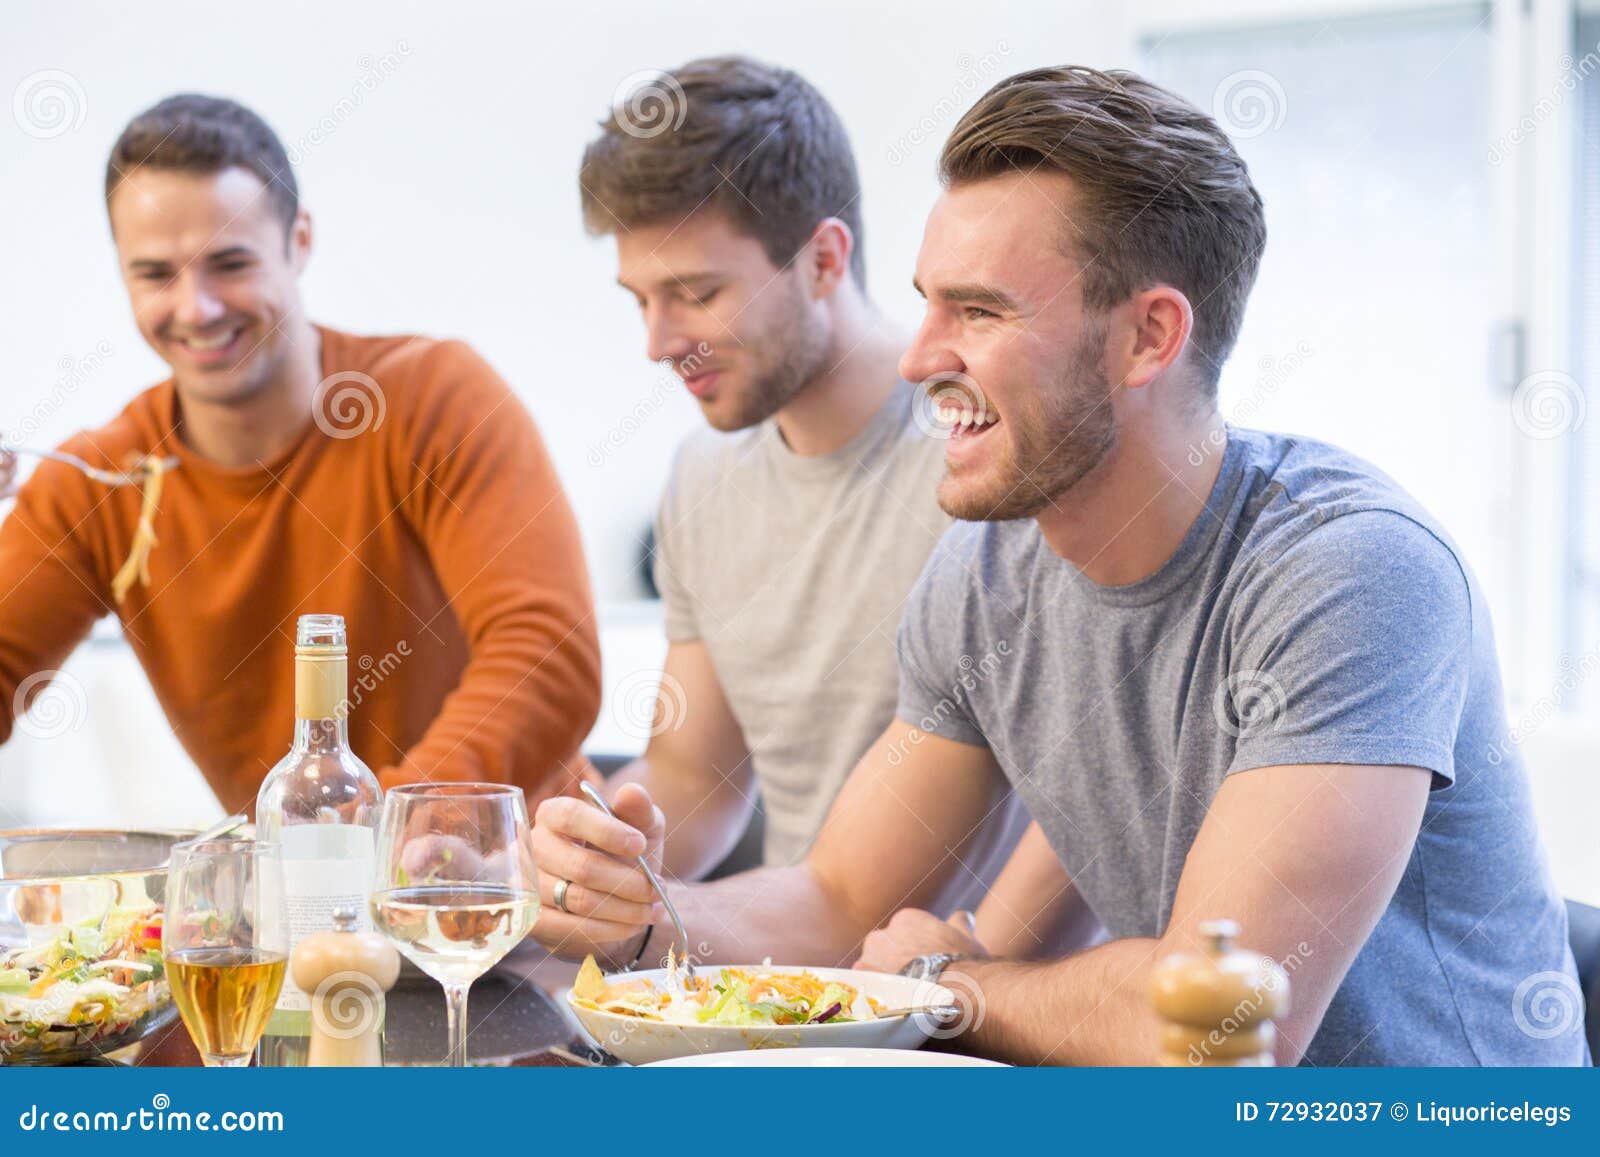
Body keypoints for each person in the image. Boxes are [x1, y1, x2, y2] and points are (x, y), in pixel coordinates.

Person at [528, 65, 1588, 1066]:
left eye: (978, 311)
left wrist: (955, 987)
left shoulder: (1351, 573)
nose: (916, 354)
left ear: (1147, 338)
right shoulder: (984, 575)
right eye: (928, 300)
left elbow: (1218, 1022)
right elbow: (843, 896)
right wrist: (651, 914)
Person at [0, 95, 601, 814]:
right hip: (303, 909)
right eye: (156, 274)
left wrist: (385, 828)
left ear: (301, 240)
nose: (196, 308)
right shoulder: (105, 479)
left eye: (229, 262)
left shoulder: (432, 398)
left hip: (518, 888)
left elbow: (548, 653)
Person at [572, 56, 1025, 916]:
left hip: (989, 1013)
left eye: (695, 293)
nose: (659, 343)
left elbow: (1083, 795)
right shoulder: (701, 480)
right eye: (639, 301)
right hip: (788, 986)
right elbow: (695, 771)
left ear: (823, 259)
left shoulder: (989, 456)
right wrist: (602, 843)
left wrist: (982, 981)